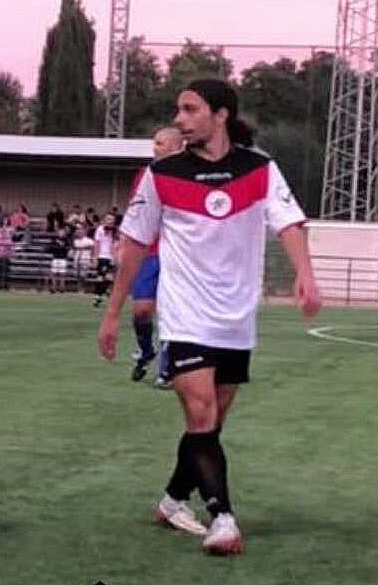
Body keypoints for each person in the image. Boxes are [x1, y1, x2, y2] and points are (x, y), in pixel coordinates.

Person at [97, 79, 321, 555]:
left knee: (211, 423)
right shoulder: (162, 175)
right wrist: (112, 313)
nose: (180, 119)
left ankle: (173, 499)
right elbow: (134, 245)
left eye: (189, 110)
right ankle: (223, 519)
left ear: (220, 115)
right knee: (200, 412)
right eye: (179, 111)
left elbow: (289, 222)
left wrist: (306, 274)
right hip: (184, 315)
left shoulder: (260, 169)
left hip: (236, 317)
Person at [130, 127, 186, 385]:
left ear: (177, 147)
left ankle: (167, 370)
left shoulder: (190, 174)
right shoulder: (145, 175)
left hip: (177, 252)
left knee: (171, 310)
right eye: (155, 143)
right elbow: (136, 213)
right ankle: (146, 350)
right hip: (149, 252)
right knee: (142, 311)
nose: (155, 148)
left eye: (161, 143)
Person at [91, 213, 118, 307]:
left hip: (110, 257)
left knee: (109, 278)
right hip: (102, 257)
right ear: (105, 220)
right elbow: (97, 244)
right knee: (100, 278)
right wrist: (95, 257)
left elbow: (116, 246)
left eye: (112, 219)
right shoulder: (100, 229)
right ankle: (97, 297)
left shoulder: (116, 231)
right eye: (108, 219)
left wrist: (114, 258)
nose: (110, 221)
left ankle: (99, 296)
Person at [46, 225, 71, 293]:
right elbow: (50, 247)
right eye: (60, 232)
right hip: (55, 258)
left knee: (62, 273)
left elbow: (68, 248)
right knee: (53, 273)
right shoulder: (54, 239)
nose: (61, 233)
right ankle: (53, 287)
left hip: (63, 258)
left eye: (62, 232)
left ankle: (62, 287)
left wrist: (63, 247)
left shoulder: (66, 240)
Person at [0, 218, 15, 290]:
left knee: (7, 270)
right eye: (4, 223)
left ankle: (6, 285)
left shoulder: (9, 230)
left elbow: (10, 242)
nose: (5, 225)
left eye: (6, 223)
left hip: (7, 254)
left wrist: (11, 252)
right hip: (0, 254)